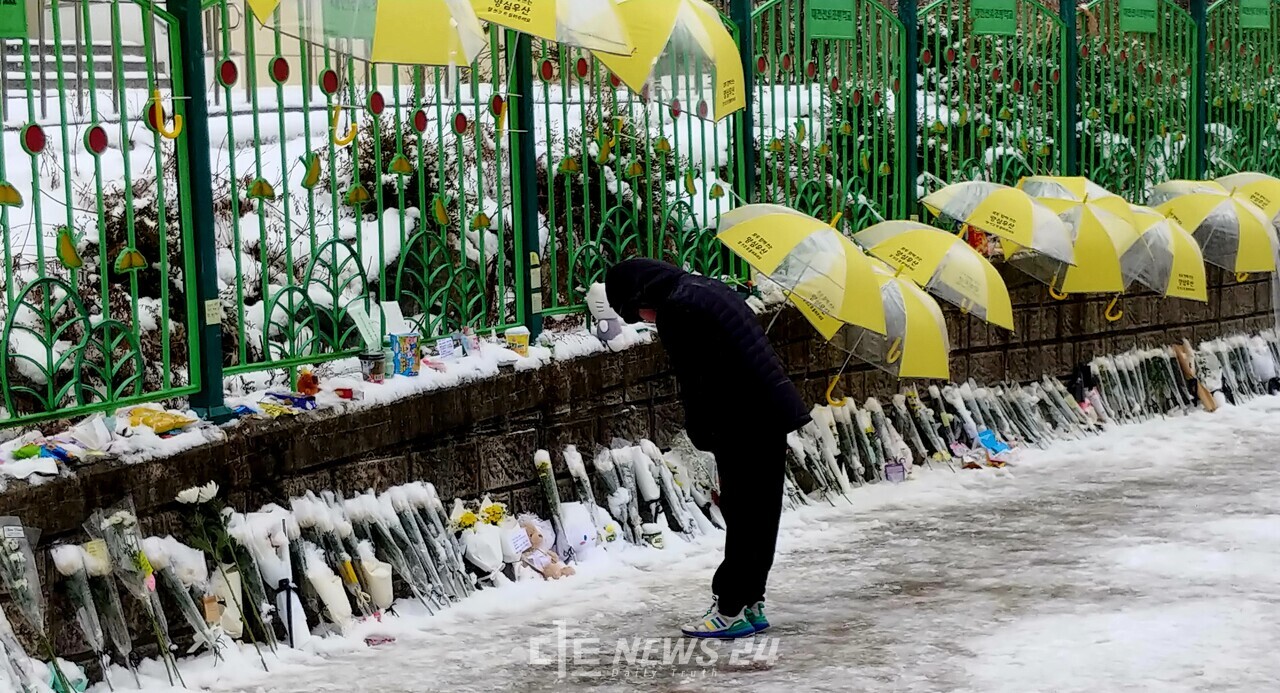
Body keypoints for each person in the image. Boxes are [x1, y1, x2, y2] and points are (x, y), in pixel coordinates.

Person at [605, 258, 811, 639]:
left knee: (745, 512)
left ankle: (730, 608)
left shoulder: (676, 310)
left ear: (641, 295)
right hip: (770, 408)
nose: (646, 320)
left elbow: (698, 382)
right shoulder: (704, 288)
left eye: (638, 313)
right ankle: (752, 601)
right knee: (761, 511)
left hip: (743, 417)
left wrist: (704, 437)